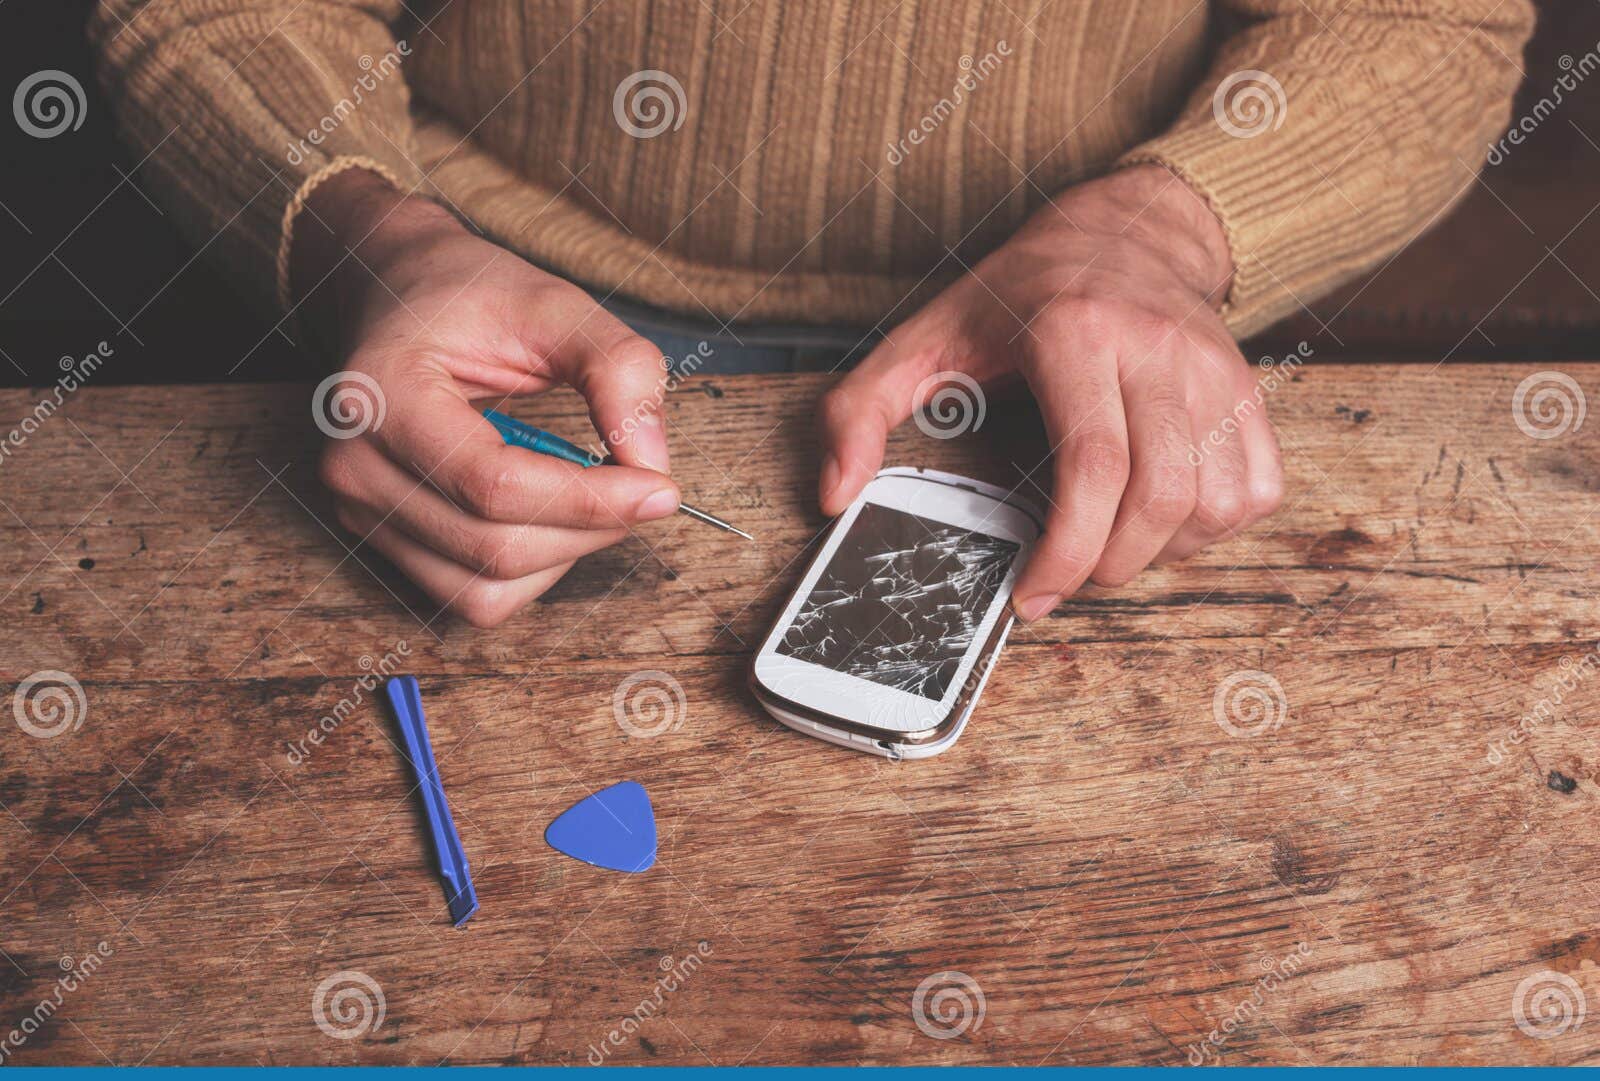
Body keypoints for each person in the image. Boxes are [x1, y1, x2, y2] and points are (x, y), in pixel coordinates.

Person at [91, 1, 1532, 626]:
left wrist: (1171, 226)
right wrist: (370, 235)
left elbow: (1423, 20)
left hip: (1089, 331)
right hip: (497, 305)